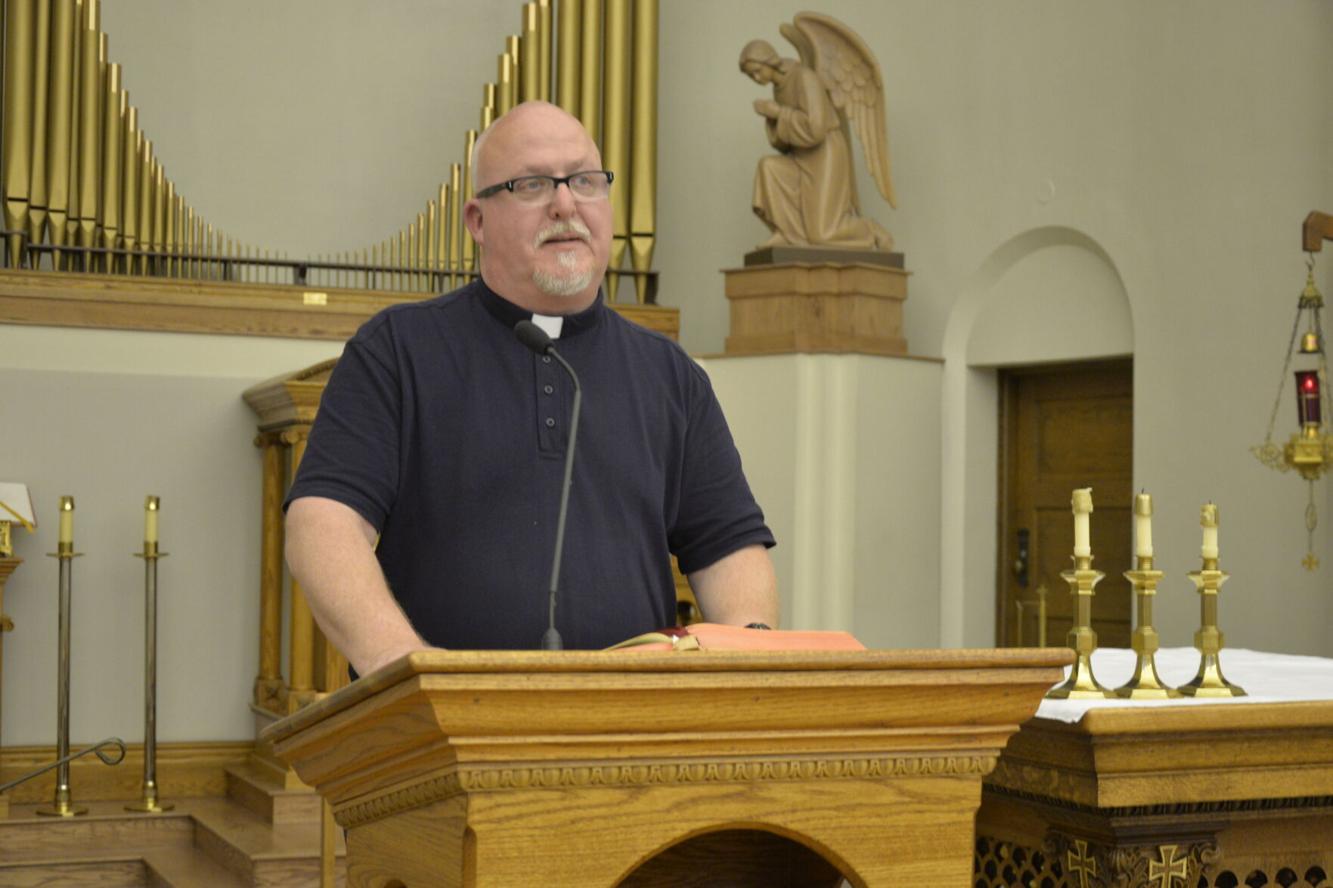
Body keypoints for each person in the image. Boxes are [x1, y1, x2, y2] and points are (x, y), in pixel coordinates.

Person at [284, 101, 778, 676]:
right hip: (443, 729)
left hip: (630, 726)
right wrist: (405, 668)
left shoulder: (670, 374)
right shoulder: (397, 350)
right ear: (476, 220)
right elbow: (323, 523)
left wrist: (749, 663)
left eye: (585, 181)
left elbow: (730, 550)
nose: (566, 204)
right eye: (533, 184)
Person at [740, 39, 892, 250]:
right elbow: (785, 144)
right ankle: (786, 232)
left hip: (825, 155)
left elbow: (816, 129)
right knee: (768, 166)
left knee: (822, 234)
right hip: (800, 156)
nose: (756, 78)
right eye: (750, 75)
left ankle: (871, 230)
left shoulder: (804, 77)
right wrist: (773, 118)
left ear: (769, 61)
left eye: (757, 71)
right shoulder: (778, 88)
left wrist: (778, 113)